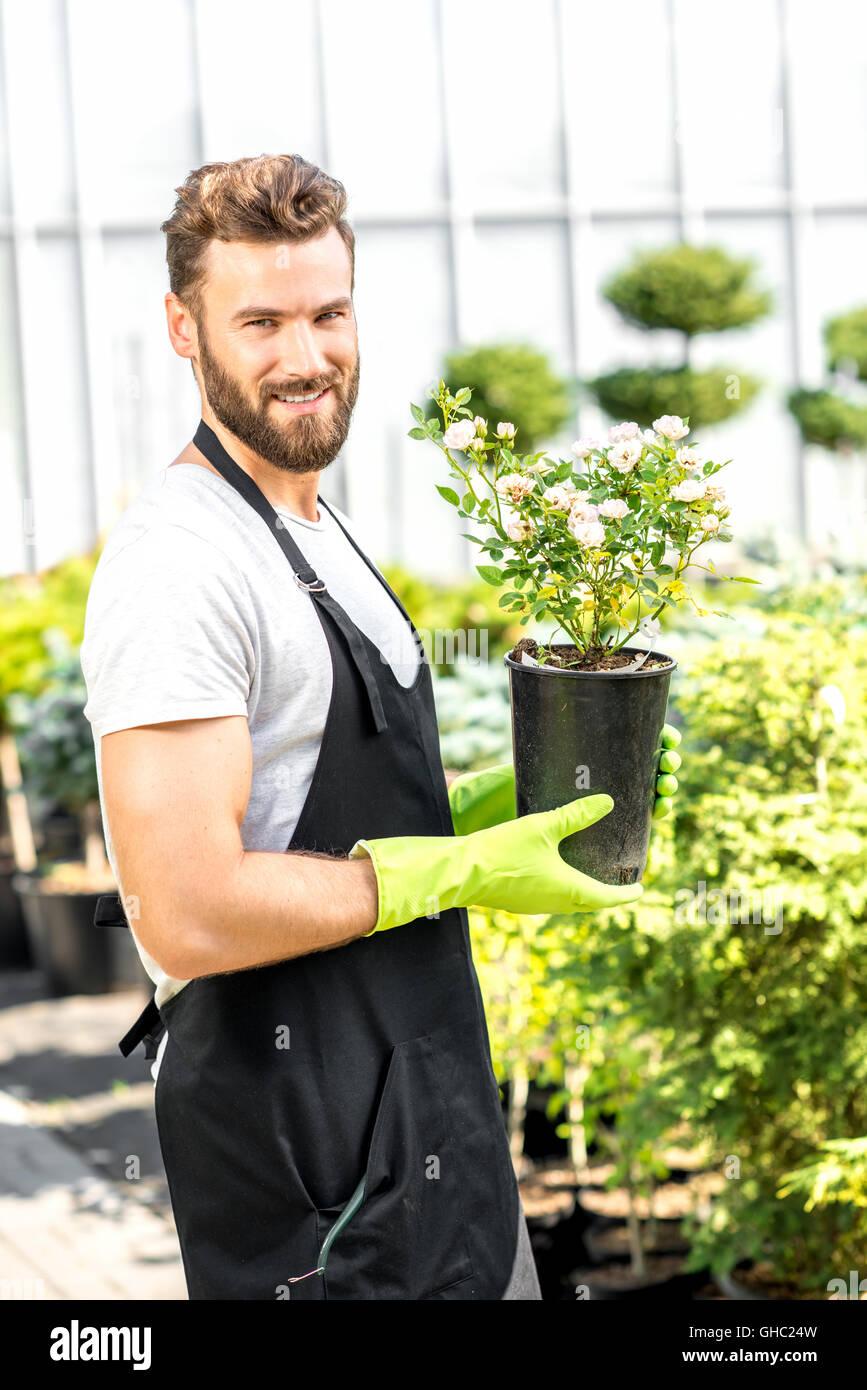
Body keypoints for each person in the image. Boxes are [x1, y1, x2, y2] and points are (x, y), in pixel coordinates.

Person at [81, 154, 683, 1301]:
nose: (306, 358)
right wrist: (442, 871)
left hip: (428, 1141)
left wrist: (513, 818)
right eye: (260, 321)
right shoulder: (183, 563)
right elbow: (184, 905)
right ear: (182, 326)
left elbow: (324, 786)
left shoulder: (312, 527)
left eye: (329, 313)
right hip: (320, 1195)